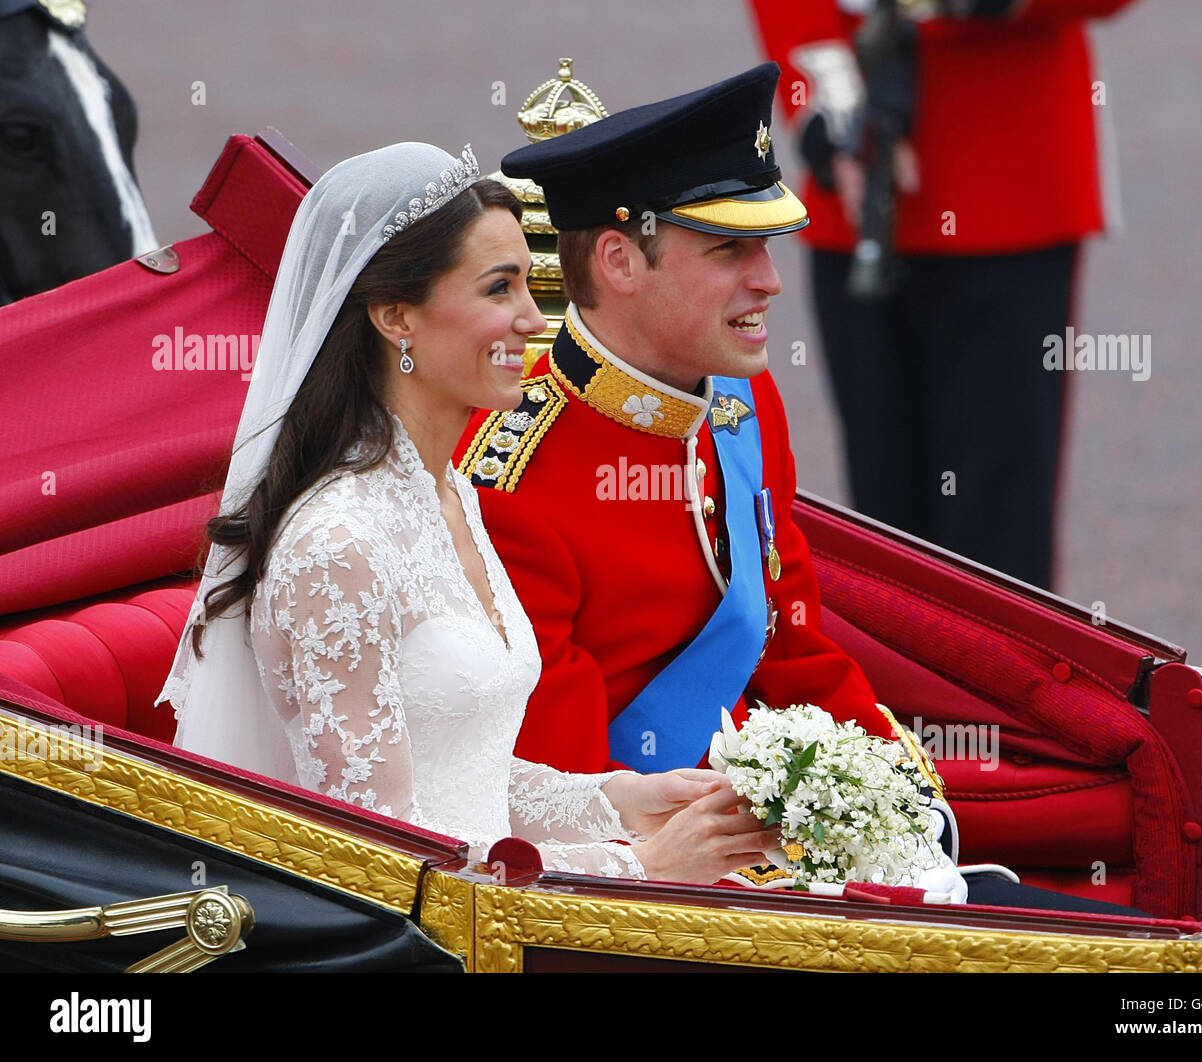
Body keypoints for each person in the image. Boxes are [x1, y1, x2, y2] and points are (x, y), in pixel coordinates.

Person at [459, 64, 1147, 915]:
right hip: (671, 882)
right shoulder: (509, 478)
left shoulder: (741, 404)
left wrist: (900, 805)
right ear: (618, 260)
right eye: (728, 251)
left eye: (767, 247)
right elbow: (568, 791)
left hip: (776, 830)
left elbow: (790, 645)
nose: (771, 282)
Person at [156, 141, 779, 884]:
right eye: (498, 289)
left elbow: (465, 776)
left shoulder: (448, 492)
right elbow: (377, 854)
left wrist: (626, 800)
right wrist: (639, 866)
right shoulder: (339, 544)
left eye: (526, 286)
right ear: (397, 318)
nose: (530, 318)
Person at [748, 0, 1138, 590]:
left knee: (999, 536)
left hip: (1007, 187)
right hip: (860, 186)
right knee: (883, 528)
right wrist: (829, 107)